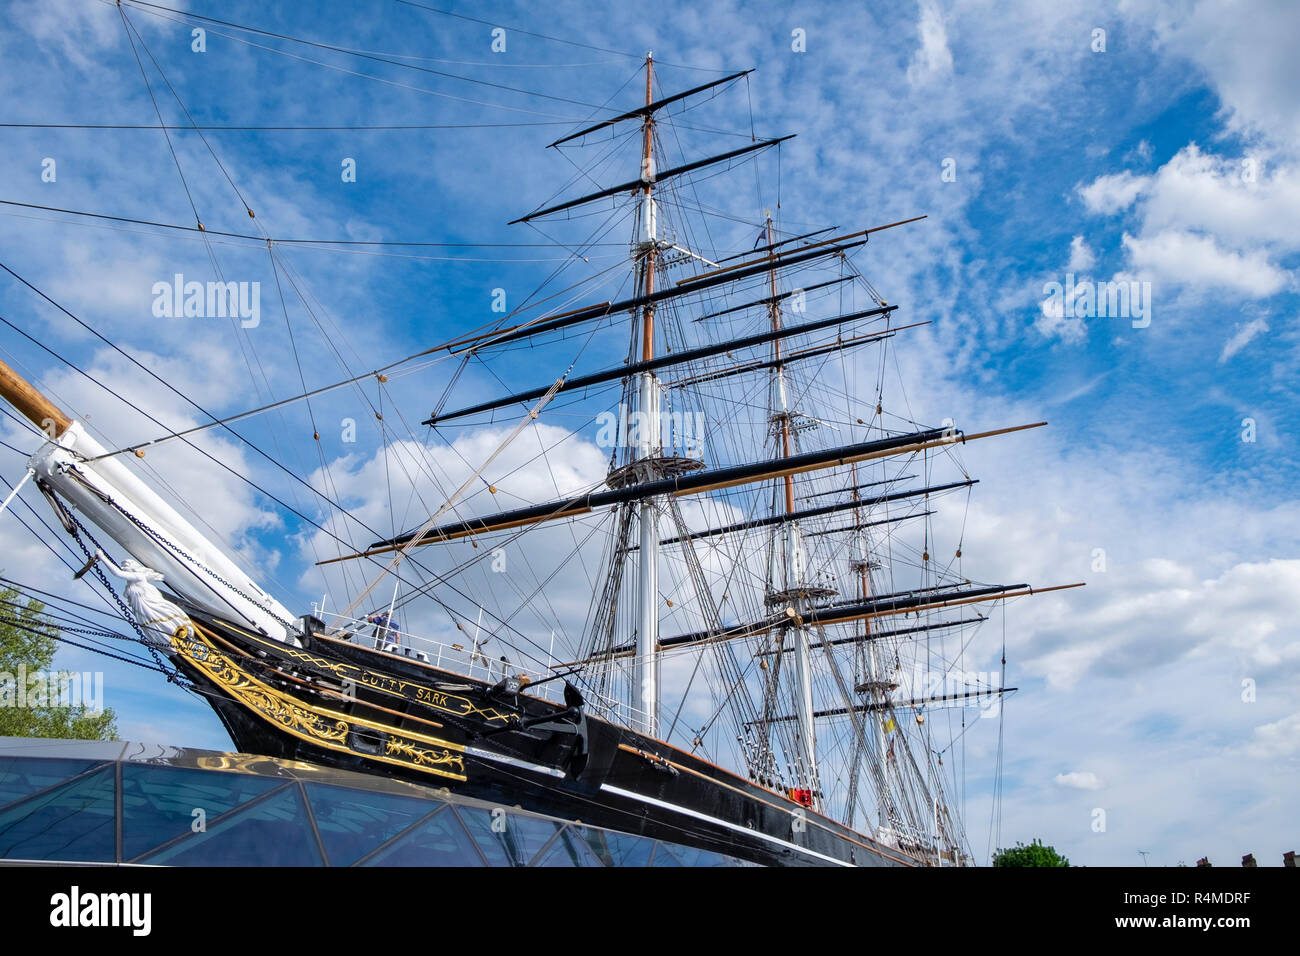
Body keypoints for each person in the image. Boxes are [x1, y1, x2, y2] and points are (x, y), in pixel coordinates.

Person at [95, 550, 192, 650]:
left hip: (148, 603)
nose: (123, 568)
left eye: (126, 565)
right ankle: (169, 639)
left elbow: (117, 573)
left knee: (159, 619)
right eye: (123, 566)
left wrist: (103, 558)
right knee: (154, 625)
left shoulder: (138, 576)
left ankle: (176, 634)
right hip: (142, 607)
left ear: (133, 566)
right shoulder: (130, 583)